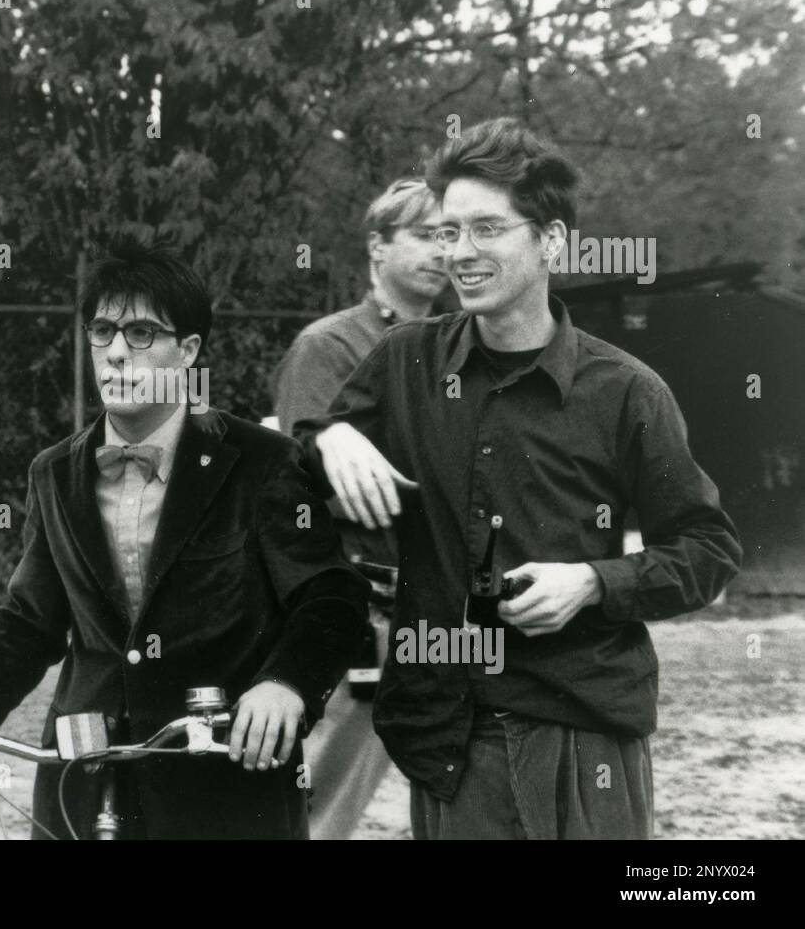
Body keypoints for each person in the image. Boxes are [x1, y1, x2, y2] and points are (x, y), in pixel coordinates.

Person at [295, 118, 741, 839]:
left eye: (486, 229)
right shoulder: (403, 362)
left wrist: (594, 583)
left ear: (552, 241)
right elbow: (297, 490)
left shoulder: (625, 392)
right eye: (447, 232)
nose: (460, 254)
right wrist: (328, 438)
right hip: (448, 740)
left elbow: (708, 550)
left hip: (581, 737)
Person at [0, 236, 370, 839]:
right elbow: (28, 622)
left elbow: (330, 595)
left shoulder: (262, 461)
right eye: (103, 332)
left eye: (142, 334)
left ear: (189, 351)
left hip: (224, 777)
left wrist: (285, 686)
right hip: (85, 777)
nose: (117, 353)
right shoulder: (55, 472)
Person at [271, 177, 447, 839]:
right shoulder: (329, 347)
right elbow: (303, 477)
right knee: (310, 811)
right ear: (378, 246)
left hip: (457, 624)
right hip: (366, 620)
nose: (443, 251)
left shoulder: (472, 349)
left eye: (452, 236)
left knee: (472, 805)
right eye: (427, 234)